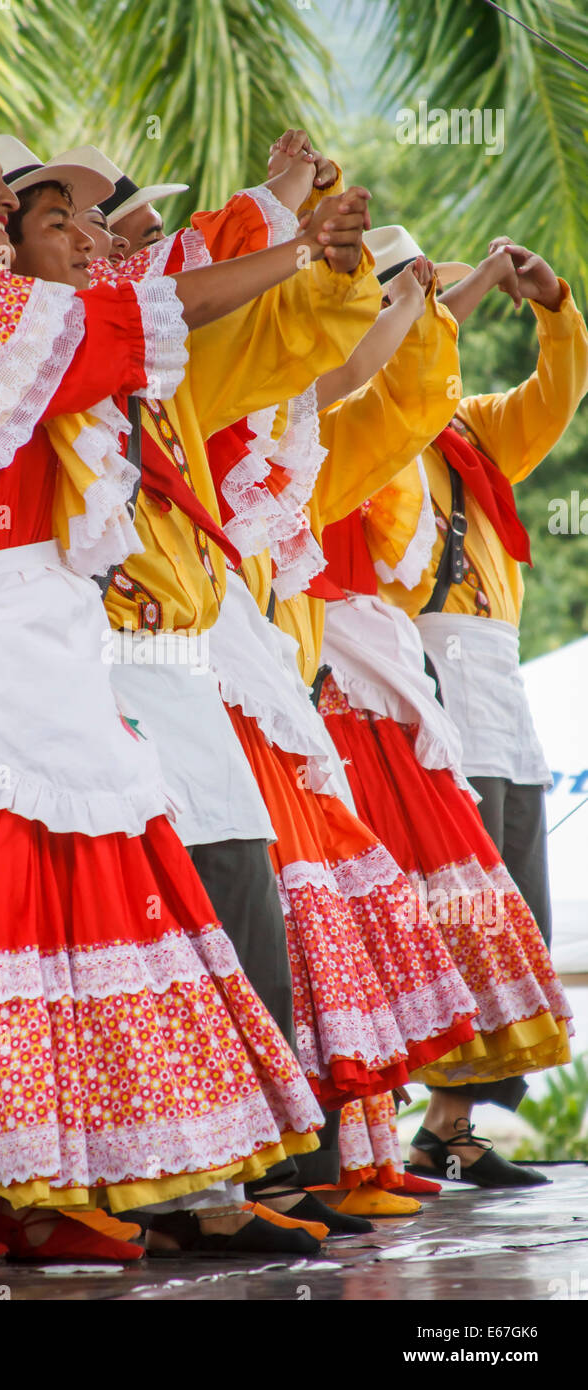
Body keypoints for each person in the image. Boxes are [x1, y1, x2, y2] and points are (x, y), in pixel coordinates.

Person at [0, 110, 376, 1263]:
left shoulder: (17, 313)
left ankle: (33, 1181)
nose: (2, 198)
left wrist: (299, 246)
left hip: (50, 639)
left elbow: (173, 304)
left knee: (71, 904)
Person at [315, 227, 579, 1186]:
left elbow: (553, 400)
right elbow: (388, 397)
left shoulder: (464, 427)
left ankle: (450, 1126)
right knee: (435, 905)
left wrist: (554, 310)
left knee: (509, 900)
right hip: (418, 667)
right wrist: (449, 296)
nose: (430, 310)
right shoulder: (365, 418)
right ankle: (393, 1128)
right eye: (413, 294)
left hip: (496, 672)